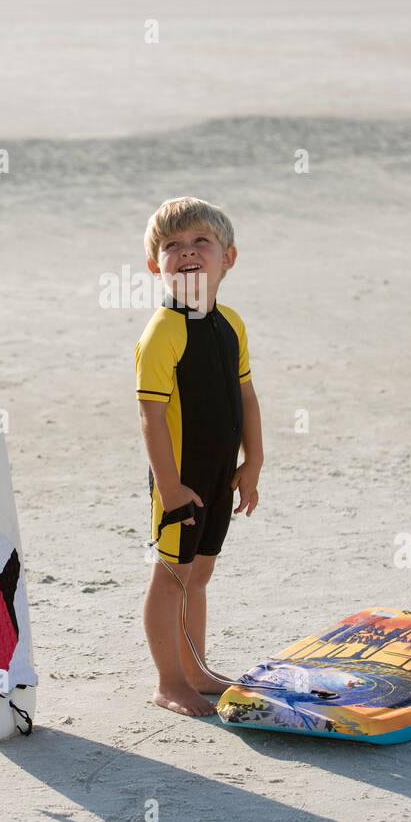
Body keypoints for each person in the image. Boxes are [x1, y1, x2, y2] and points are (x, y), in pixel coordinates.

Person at [135, 197, 263, 717]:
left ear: (228, 257)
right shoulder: (162, 332)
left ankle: (196, 668)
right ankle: (169, 681)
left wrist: (252, 463)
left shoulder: (230, 323)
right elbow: (151, 416)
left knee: (201, 573)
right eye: (172, 246)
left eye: (199, 242)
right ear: (154, 266)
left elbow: (247, 396)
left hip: (218, 477)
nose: (186, 252)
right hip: (180, 479)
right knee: (171, 576)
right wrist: (168, 485)